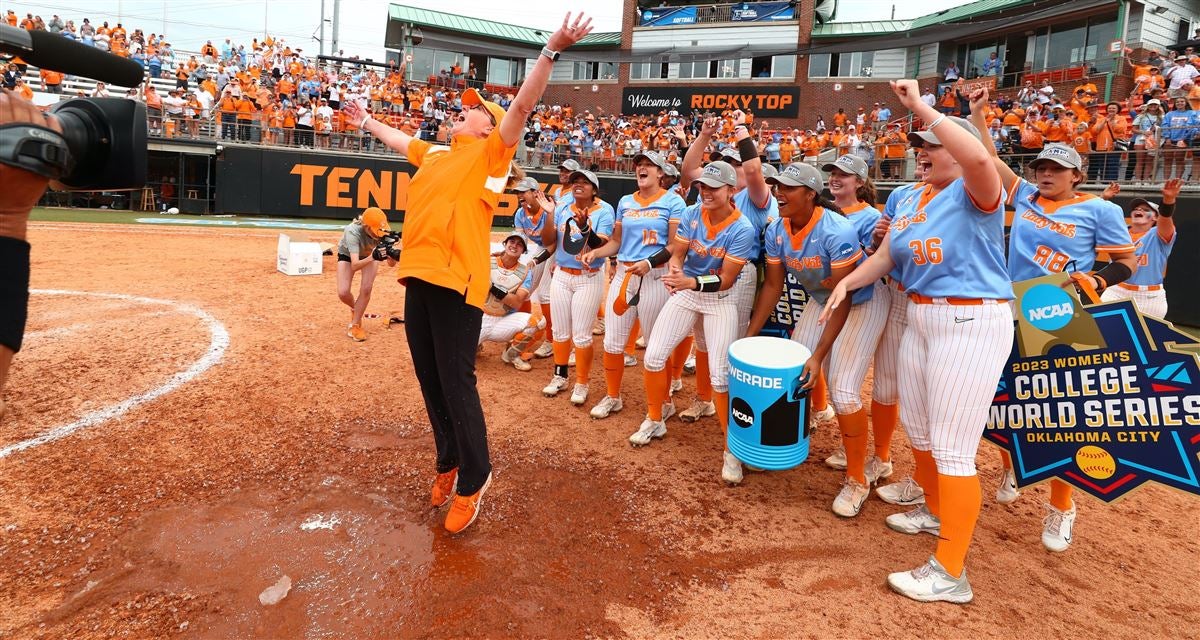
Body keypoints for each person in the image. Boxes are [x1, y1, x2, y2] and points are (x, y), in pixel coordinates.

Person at [341, 12, 594, 534]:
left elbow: (523, 105)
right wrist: (366, 119)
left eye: (474, 112)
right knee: (429, 378)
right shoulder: (435, 154)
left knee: (457, 381)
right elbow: (398, 140)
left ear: (488, 124)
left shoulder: (491, 154)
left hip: (458, 282)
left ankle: (475, 477)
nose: (463, 114)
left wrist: (550, 49)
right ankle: (448, 460)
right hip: (418, 277)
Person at [824, 79, 1012, 604]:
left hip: (970, 320)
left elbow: (978, 159)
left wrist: (923, 108)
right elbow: (888, 257)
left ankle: (951, 573)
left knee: (953, 450)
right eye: (920, 149)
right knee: (922, 432)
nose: (923, 154)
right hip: (924, 318)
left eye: (932, 146)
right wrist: (849, 280)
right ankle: (933, 510)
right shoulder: (912, 199)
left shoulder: (976, 190)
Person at [968, 87, 1136, 554]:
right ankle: (1011, 466)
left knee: (1058, 412)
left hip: (1060, 312)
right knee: (1002, 398)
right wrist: (979, 116)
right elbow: (986, 158)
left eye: (1057, 168)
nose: (1046, 173)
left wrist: (1100, 281)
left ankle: (1062, 506)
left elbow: (1126, 263)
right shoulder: (1023, 196)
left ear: (1076, 174)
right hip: (1011, 304)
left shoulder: (1099, 208)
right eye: (1041, 166)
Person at [745, 161, 878, 514]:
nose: (779, 192)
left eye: (787, 187)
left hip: (862, 302)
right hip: (822, 301)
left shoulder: (837, 229)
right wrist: (749, 334)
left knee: (845, 390)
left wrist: (819, 354)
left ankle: (857, 480)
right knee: (793, 369)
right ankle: (785, 444)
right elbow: (773, 285)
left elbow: (845, 296)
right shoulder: (777, 229)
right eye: (777, 186)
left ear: (810, 194)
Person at [637, 161, 756, 485]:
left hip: (719, 298)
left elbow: (727, 279)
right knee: (653, 355)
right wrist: (675, 267)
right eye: (703, 186)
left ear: (731, 190)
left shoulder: (742, 227)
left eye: (713, 187)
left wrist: (688, 282)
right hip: (689, 289)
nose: (705, 192)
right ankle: (655, 418)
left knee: (720, 377)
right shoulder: (692, 213)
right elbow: (679, 249)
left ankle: (733, 450)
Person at [578, 150, 685, 423]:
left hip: (656, 276)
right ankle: (613, 396)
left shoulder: (674, 202)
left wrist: (649, 263)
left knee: (655, 345)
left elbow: (675, 245)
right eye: (639, 164)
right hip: (626, 273)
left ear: (661, 173)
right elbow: (616, 242)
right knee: (613, 340)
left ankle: (664, 403)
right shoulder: (626, 201)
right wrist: (596, 253)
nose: (642, 168)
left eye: (650, 164)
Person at [818, 153, 898, 488]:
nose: (836, 179)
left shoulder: (870, 217)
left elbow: (874, 261)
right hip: (828, 297)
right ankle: (847, 439)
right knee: (821, 368)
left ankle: (876, 457)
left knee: (848, 383)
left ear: (860, 182)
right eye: (833, 173)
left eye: (845, 175)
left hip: (866, 296)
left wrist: (876, 244)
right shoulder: (820, 210)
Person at [537, 169, 613, 405]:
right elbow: (549, 240)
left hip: (587, 276)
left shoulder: (604, 210)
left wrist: (583, 227)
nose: (578, 185)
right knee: (560, 331)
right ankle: (560, 376)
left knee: (581, 334)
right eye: (575, 182)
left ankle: (582, 382)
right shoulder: (561, 207)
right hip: (561, 273)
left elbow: (601, 243)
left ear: (594, 189)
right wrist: (549, 214)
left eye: (584, 182)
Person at [1099, 180, 1180, 318]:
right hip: (1116, 290)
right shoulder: (1120, 232)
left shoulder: (1157, 235)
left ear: (1155, 217)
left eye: (1146, 209)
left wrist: (1168, 201)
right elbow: (1092, 219)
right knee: (1102, 333)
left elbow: (1165, 219)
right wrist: (1103, 198)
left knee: (1144, 339)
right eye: (1136, 208)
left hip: (1149, 297)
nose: (1139, 210)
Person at [480, 234, 546, 368]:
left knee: (537, 322)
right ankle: (473, 345)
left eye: (519, 244)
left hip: (502, 320)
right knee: (457, 353)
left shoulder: (525, 273)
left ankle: (511, 355)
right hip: (479, 318)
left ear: (524, 251)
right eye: (512, 241)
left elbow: (516, 302)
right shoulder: (487, 261)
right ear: (505, 244)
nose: (514, 246)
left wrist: (492, 287)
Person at [336, 207, 393, 342]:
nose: (378, 235)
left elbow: (391, 264)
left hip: (369, 254)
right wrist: (374, 256)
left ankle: (355, 325)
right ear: (366, 227)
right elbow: (355, 265)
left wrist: (390, 253)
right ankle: (355, 309)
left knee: (366, 288)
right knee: (343, 292)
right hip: (348, 255)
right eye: (374, 231)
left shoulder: (384, 231)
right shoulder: (352, 232)